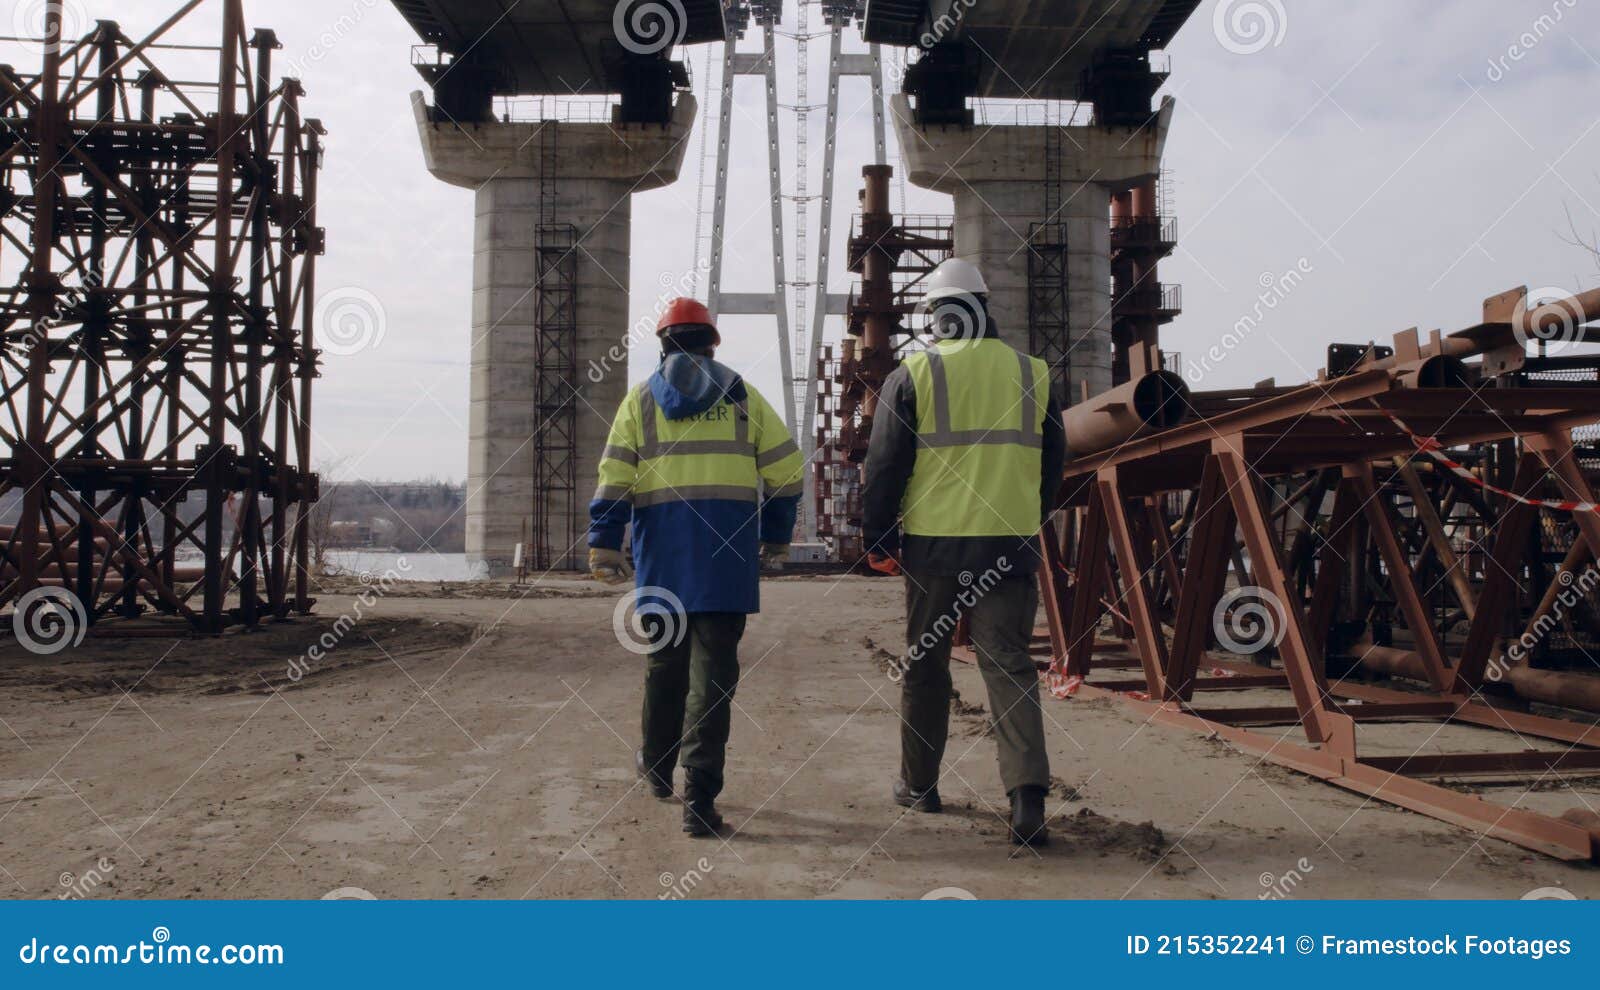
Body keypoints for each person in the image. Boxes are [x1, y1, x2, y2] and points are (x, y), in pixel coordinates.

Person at [860, 258, 1067, 846]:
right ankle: (1027, 800)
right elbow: (1054, 466)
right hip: (1009, 544)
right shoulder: (1033, 374)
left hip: (936, 548)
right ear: (985, 304)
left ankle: (920, 786)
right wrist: (1029, 519)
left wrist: (878, 538)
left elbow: (884, 467)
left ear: (937, 315)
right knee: (1009, 665)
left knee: (925, 667)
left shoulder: (915, 374)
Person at [588, 297, 803, 837]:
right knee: (714, 680)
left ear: (663, 343)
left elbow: (614, 477)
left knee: (664, 668)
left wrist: (605, 544)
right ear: (713, 343)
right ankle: (699, 799)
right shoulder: (745, 399)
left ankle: (659, 771)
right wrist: (776, 537)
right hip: (727, 566)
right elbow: (787, 472)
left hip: (663, 564)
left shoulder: (639, 403)